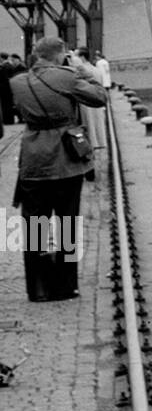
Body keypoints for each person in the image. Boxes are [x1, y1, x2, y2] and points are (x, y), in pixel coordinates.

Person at [9, 37, 107, 302]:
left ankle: (39, 289)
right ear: (61, 55)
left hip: (32, 159)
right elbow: (100, 97)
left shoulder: (17, 82)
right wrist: (81, 68)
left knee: (34, 225)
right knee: (66, 222)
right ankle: (65, 287)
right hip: (66, 159)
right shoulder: (67, 76)